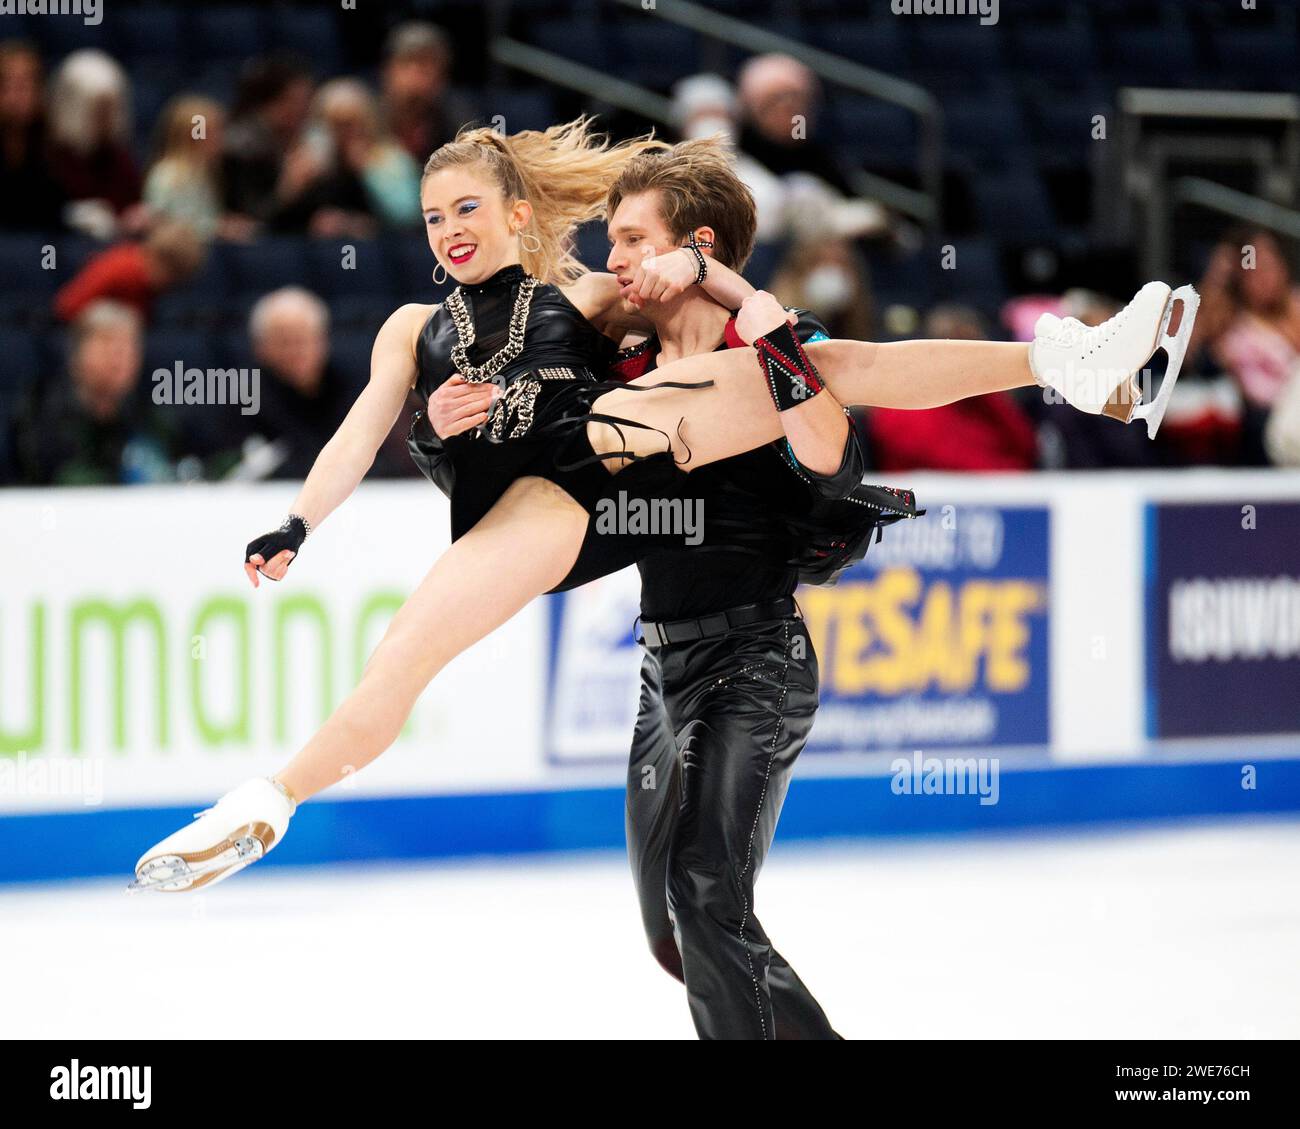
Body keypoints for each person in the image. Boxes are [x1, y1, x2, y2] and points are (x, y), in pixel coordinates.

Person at [129, 117, 1189, 902]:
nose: (449, 229)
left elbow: (687, 295)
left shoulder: (578, 296)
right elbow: (358, 432)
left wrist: (699, 268)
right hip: (532, 505)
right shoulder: (410, 327)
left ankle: (1075, 359)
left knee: (830, 365)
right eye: (432, 214)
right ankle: (268, 801)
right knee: (400, 657)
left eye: (468, 209)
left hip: (623, 442)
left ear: (518, 215)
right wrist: (298, 525)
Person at [8, 301, 177, 485]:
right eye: (106, 343)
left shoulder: (149, 416)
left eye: (128, 346)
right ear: (76, 354)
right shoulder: (41, 408)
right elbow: (52, 476)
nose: (119, 356)